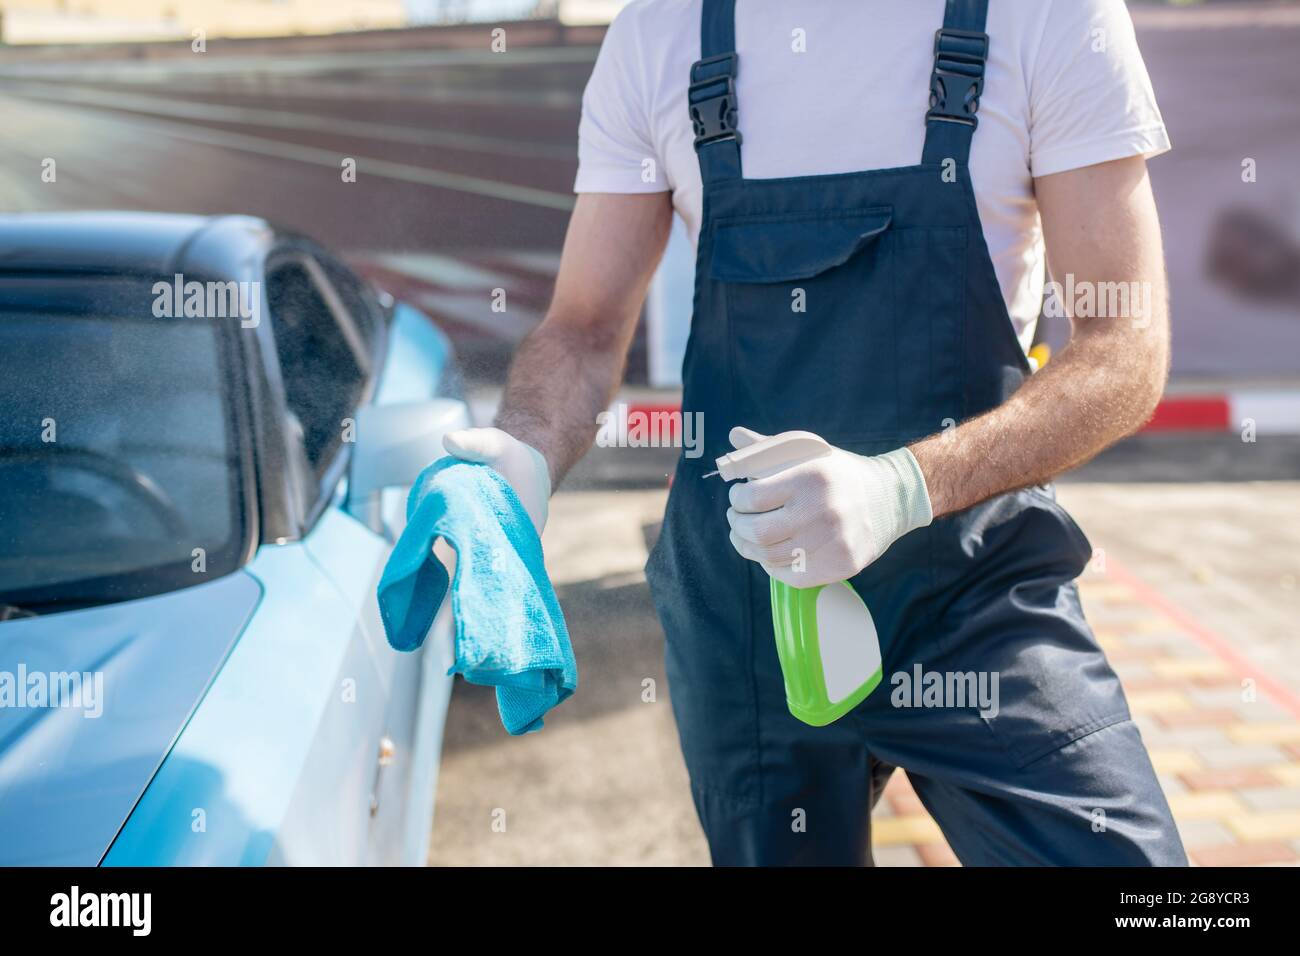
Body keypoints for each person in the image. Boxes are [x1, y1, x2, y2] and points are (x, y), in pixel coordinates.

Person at [444, 0, 1187, 865]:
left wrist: (901, 489)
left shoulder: (1045, 15)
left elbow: (1124, 346)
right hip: (745, 616)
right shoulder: (661, 35)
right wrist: (522, 455)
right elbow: (584, 326)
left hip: (971, 590)